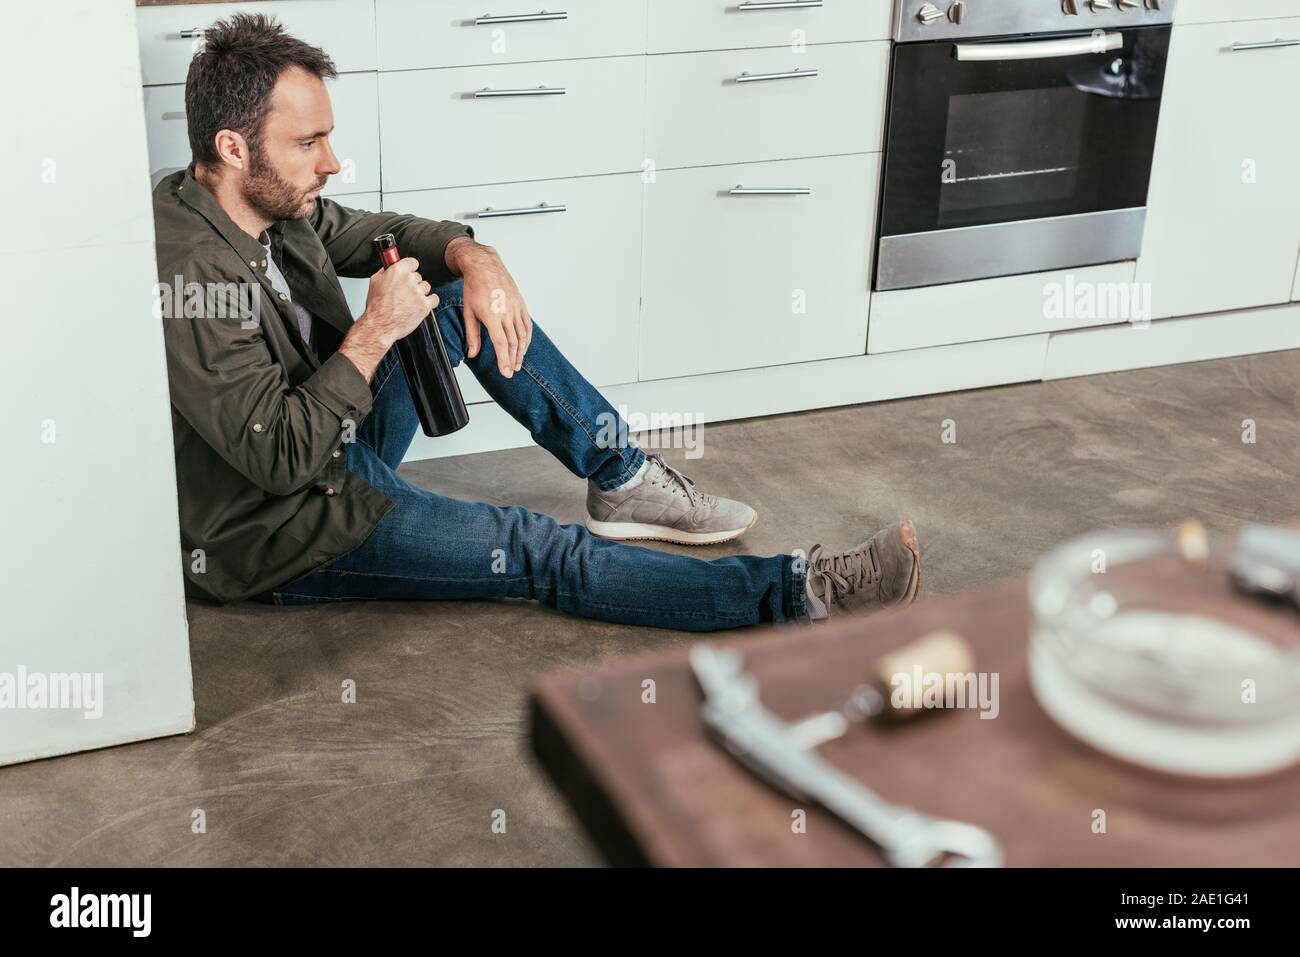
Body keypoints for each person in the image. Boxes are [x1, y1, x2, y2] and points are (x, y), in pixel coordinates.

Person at [154, 13, 921, 631]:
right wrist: (373, 333)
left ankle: (620, 475)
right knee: (532, 548)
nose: (332, 162)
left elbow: (376, 232)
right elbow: (280, 459)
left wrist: (472, 254)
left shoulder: (266, 201)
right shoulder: (188, 274)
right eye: (310, 142)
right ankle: (801, 591)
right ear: (231, 146)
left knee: (455, 300)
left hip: (335, 443)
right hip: (283, 528)